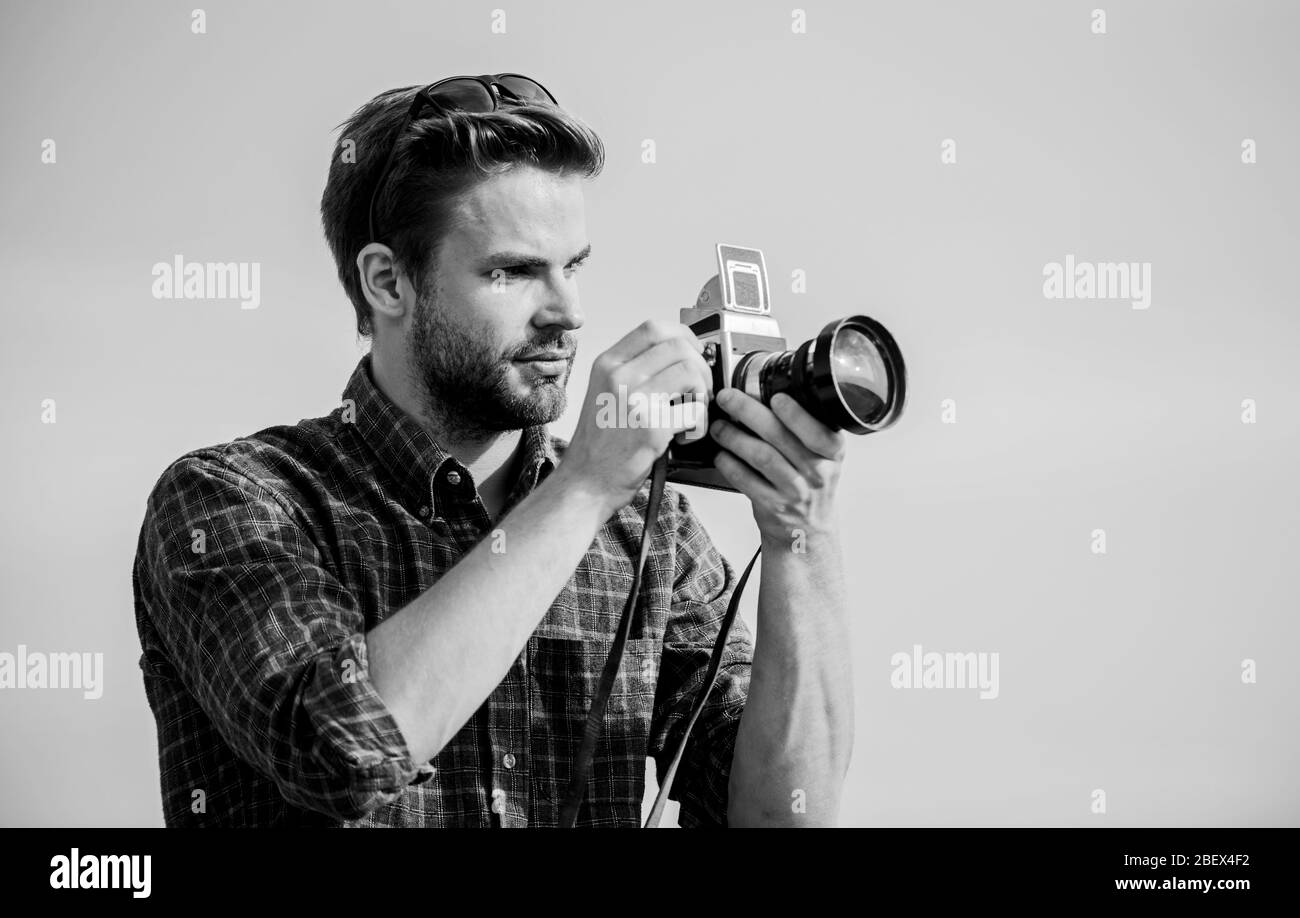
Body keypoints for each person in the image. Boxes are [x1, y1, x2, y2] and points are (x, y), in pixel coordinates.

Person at [131, 74, 854, 827]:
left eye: (573, 266)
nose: (568, 313)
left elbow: (784, 817)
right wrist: (581, 490)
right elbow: (346, 752)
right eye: (512, 271)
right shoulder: (233, 499)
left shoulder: (650, 529)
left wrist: (803, 533)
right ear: (388, 282)